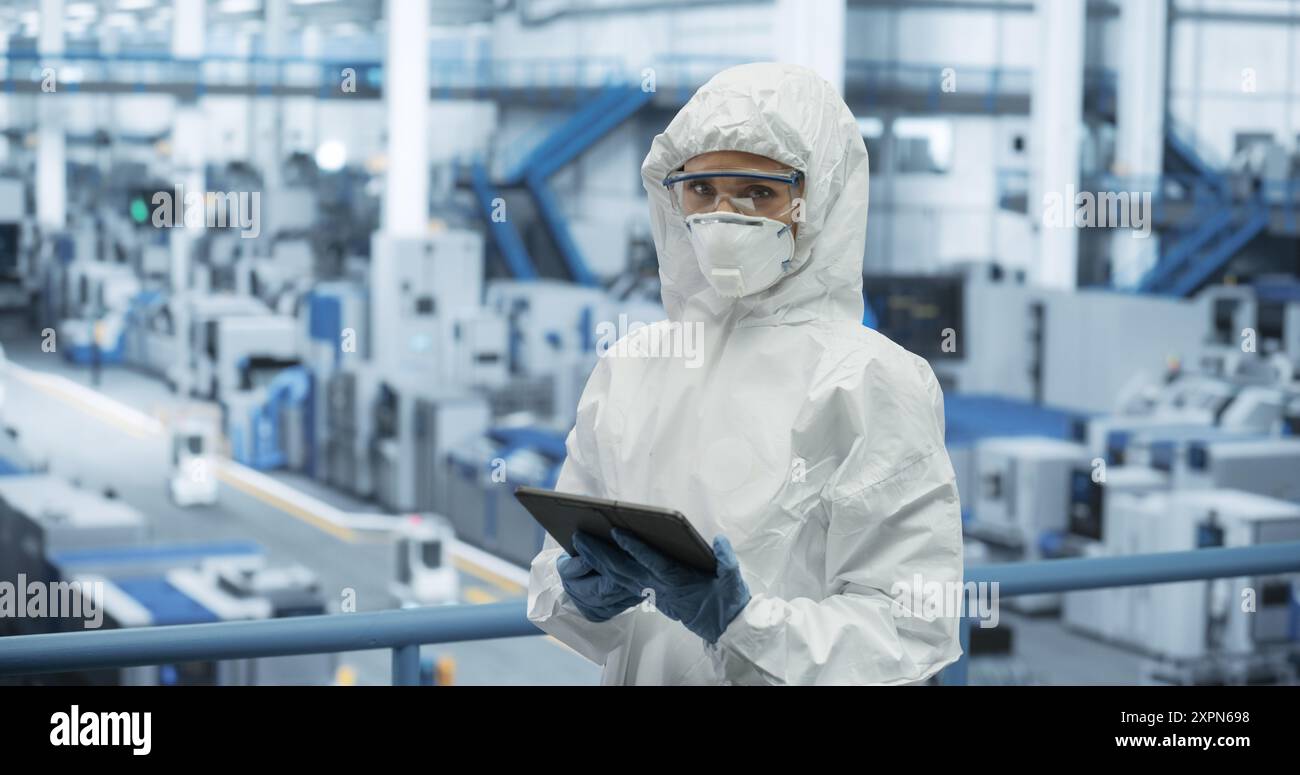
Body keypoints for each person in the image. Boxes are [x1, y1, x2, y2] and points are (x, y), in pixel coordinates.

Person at [526, 62, 964, 685]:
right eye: (702, 190)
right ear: (672, 198)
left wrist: (743, 624)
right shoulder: (632, 366)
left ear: (819, 200)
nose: (724, 215)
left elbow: (911, 625)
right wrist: (582, 593)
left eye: (759, 192)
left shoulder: (872, 380)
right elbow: (556, 574)